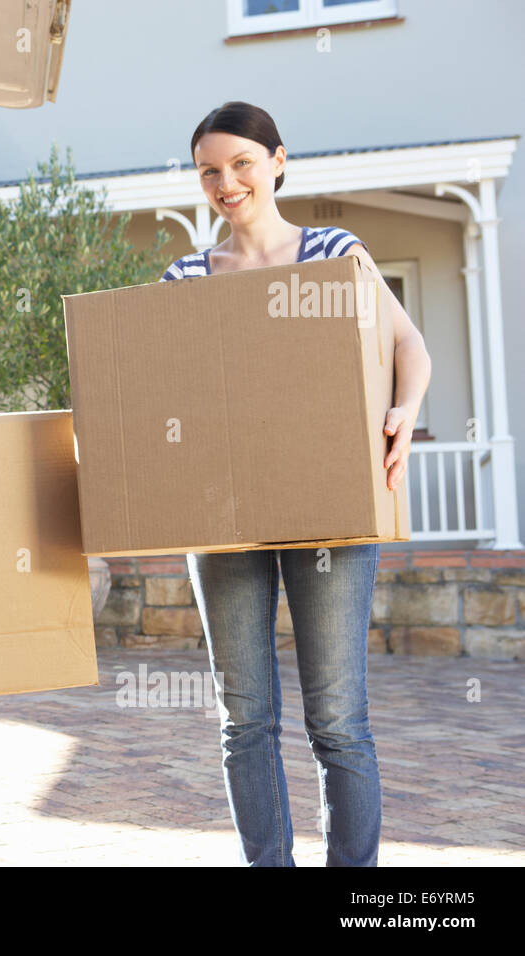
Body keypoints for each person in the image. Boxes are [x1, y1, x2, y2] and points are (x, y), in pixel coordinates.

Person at [162, 102, 431, 866]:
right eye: (210, 170)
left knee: (338, 718)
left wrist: (404, 410)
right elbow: (161, 389)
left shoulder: (332, 252)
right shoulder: (186, 277)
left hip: (330, 508)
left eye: (242, 162)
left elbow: (408, 344)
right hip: (224, 513)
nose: (226, 181)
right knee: (243, 718)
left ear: (277, 161)